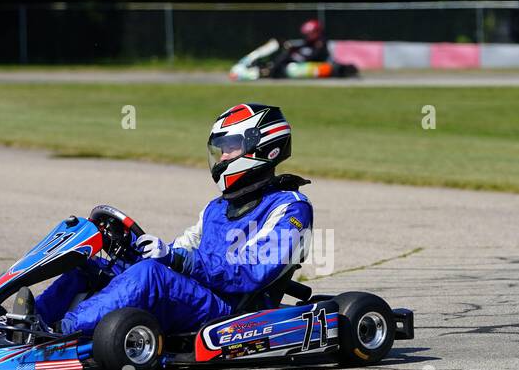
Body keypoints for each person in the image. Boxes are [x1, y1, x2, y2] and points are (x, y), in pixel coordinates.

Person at [33, 103, 313, 336]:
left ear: (264, 148)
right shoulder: (215, 208)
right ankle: (28, 322)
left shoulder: (290, 208)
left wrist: (178, 259)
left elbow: (254, 271)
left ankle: (59, 332)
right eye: (221, 149)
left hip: (232, 310)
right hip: (198, 293)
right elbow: (176, 252)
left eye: (231, 148)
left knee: (150, 275)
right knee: (91, 266)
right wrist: (129, 245)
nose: (222, 157)